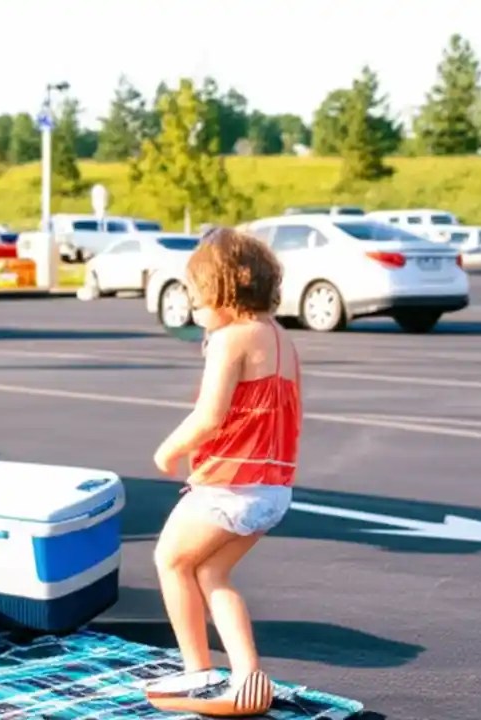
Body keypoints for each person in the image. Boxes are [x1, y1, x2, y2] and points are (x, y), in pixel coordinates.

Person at [145, 227, 300, 718]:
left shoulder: (230, 338)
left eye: (198, 297)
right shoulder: (280, 337)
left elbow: (210, 415)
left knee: (170, 561)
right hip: (273, 488)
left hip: (229, 487)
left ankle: (198, 672)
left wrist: (168, 450)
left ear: (226, 292)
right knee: (212, 571)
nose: (193, 309)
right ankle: (247, 675)